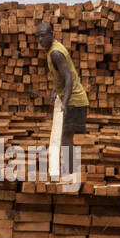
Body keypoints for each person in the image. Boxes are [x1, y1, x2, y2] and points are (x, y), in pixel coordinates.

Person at [35, 22, 88, 177]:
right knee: (66, 136)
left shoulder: (55, 53)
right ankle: (69, 172)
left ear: (52, 34)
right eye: (37, 36)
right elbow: (61, 77)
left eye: (43, 35)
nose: (40, 39)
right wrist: (56, 91)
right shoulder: (51, 50)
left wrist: (65, 103)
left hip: (75, 100)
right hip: (70, 97)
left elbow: (69, 78)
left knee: (66, 136)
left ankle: (70, 174)